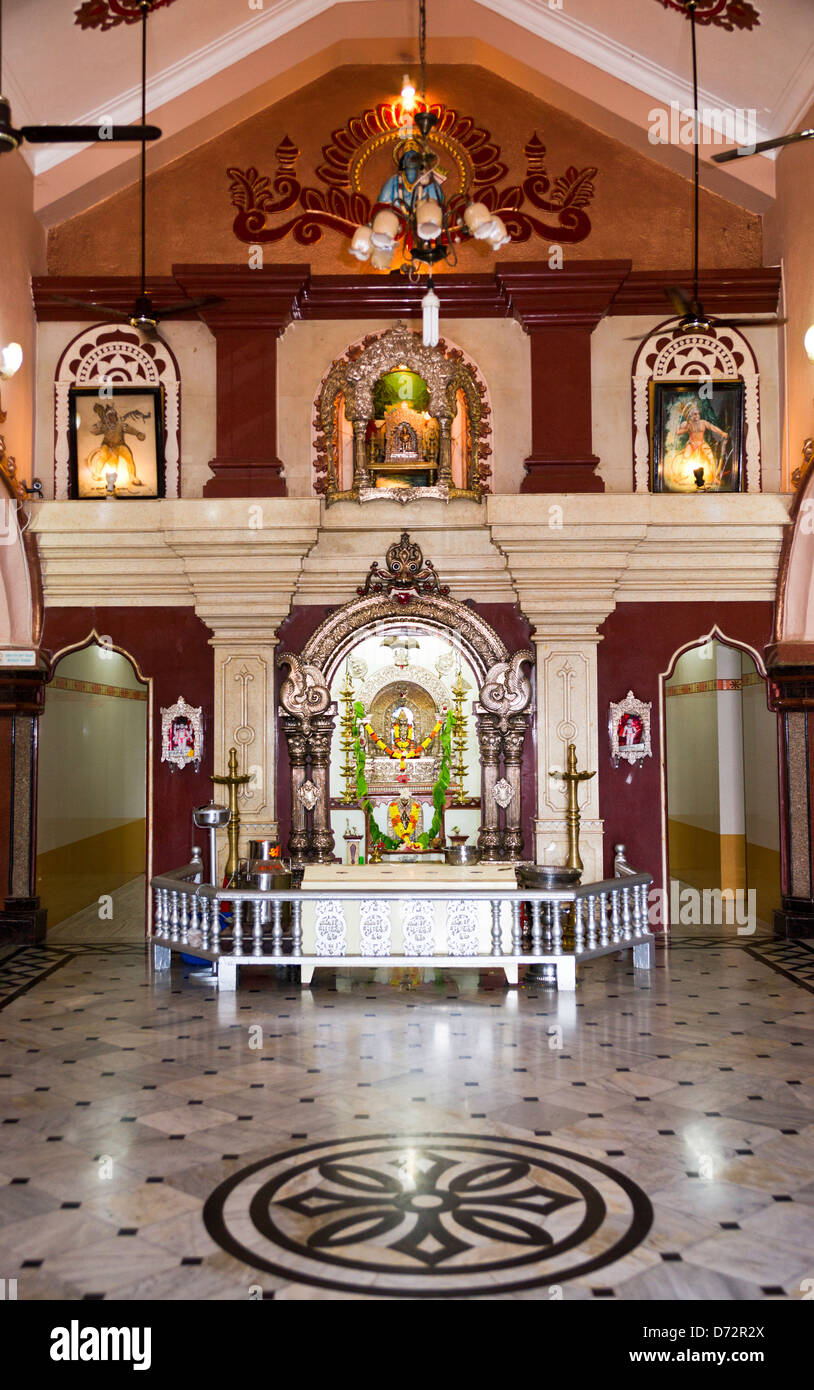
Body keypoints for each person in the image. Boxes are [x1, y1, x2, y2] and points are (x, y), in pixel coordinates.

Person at [663, 400, 729, 492]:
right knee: (685, 459)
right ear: (690, 415)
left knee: (710, 458)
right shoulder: (687, 424)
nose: (697, 415)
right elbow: (677, 432)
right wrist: (682, 426)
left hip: (702, 443)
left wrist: (722, 433)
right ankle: (680, 477)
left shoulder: (703, 423)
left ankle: (714, 478)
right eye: (694, 414)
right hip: (691, 444)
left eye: (698, 414)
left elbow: (713, 428)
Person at [86, 401, 150, 489]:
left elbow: (129, 429)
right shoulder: (104, 425)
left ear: (116, 415)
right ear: (107, 417)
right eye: (109, 416)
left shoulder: (121, 424)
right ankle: (97, 474)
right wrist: (100, 423)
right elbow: (92, 431)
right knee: (103, 457)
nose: (112, 417)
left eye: (113, 415)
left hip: (120, 445)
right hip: (107, 445)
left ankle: (132, 477)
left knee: (129, 458)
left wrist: (138, 433)